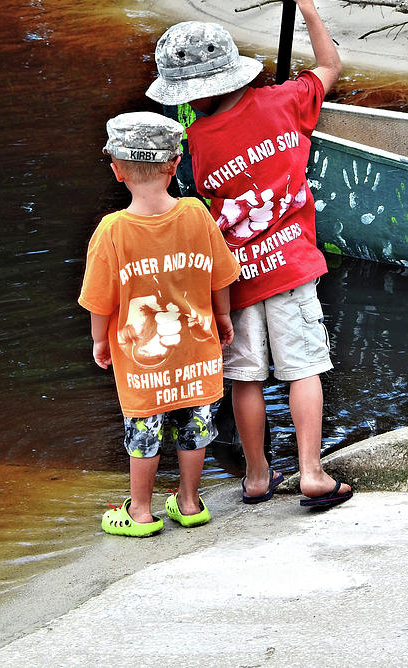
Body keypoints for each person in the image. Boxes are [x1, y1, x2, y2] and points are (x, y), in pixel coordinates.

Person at [146, 0, 352, 511]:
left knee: (247, 380)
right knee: (304, 368)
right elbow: (330, 66)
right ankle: (311, 472)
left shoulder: (198, 141)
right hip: (290, 268)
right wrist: (305, 4)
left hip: (235, 276)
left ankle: (257, 476)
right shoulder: (285, 102)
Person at [78, 111, 241, 537]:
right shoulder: (196, 214)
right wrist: (222, 316)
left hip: (142, 363)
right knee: (194, 428)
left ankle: (141, 513)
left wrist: (99, 340)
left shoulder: (112, 230)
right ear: (174, 165)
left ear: (116, 170)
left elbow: (100, 299)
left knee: (144, 432)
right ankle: (188, 503)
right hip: (196, 355)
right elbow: (219, 276)